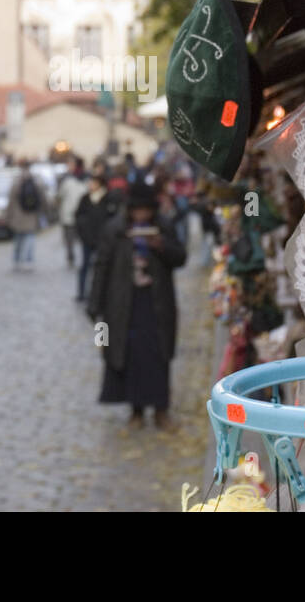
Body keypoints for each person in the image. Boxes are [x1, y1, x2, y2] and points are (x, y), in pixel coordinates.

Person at [89, 181, 187, 430]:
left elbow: (180, 257)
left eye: (145, 210)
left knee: (158, 354)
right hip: (123, 304)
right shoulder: (115, 229)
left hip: (157, 303)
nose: (141, 215)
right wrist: (95, 304)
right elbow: (102, 266)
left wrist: (160, 245)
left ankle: (161, 409)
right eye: (137, 210)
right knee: (129, 355)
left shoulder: (163, 226)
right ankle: (136, 410)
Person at [73, 173, 118, 303]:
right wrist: (82, 232)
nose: (90, 185)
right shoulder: (85, 198)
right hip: (87, 239)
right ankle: (82, 293)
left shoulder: (108, 199)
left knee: (101, 267)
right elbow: (78, 216)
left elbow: (111, 218)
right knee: (85, 266)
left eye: (93, 182)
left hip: (102, 240)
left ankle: (100, 294)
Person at [6, 159, 44, 270]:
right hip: (31, 215)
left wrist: (8, 216)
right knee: (30, 238)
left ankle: (17, 260)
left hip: (18, 215)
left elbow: (11, 200)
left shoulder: (16, 181)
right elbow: (42, 198)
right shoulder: (36, 180)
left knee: (18, 238)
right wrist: (43, 212)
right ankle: (28, 260)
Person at [56, 165, 89, 269]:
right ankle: (82, 257)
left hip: (69, 215)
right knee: (81, 238)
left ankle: (71, 257)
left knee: (69, 239)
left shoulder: (67, 182)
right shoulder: (86, 184)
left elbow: (59, 196)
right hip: (80, 216)